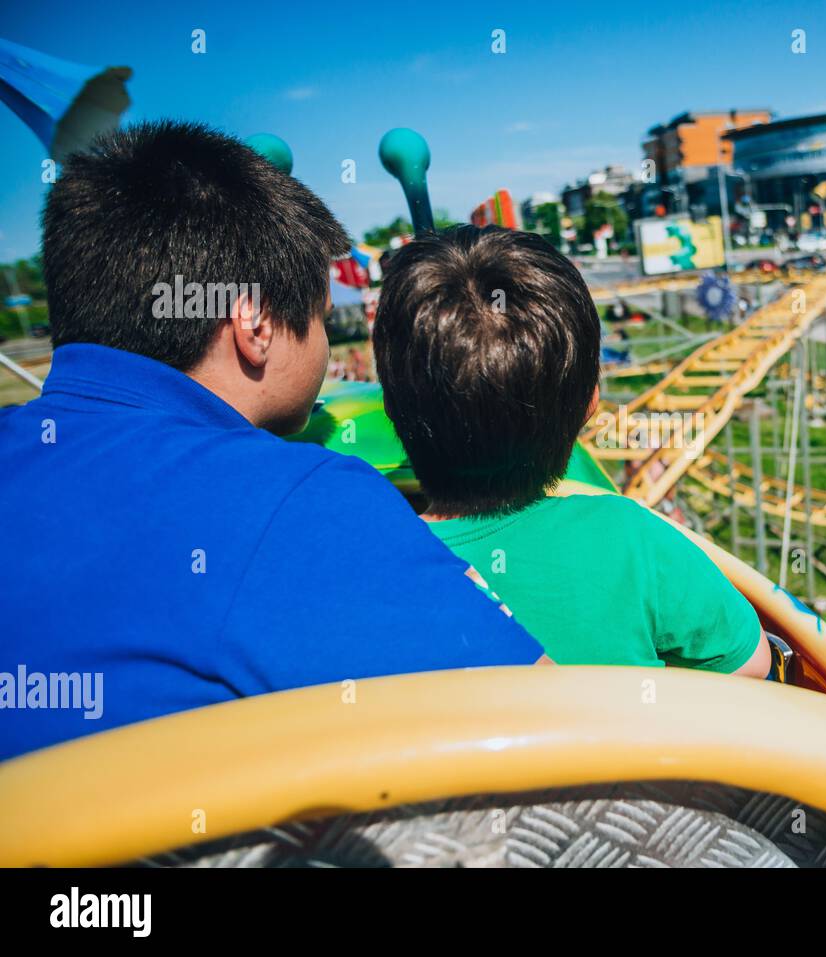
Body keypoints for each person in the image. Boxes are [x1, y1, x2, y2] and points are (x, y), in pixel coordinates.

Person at [0, 122, 545, 762]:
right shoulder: (296, 497)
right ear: (255, 325)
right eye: (318, 314)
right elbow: (555, 734)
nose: (322, 338)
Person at [372, 226, 770, 677]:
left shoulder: (377, 572)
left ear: (390, 406)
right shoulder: (631, 537)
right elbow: (752, 664)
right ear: (590, 404)